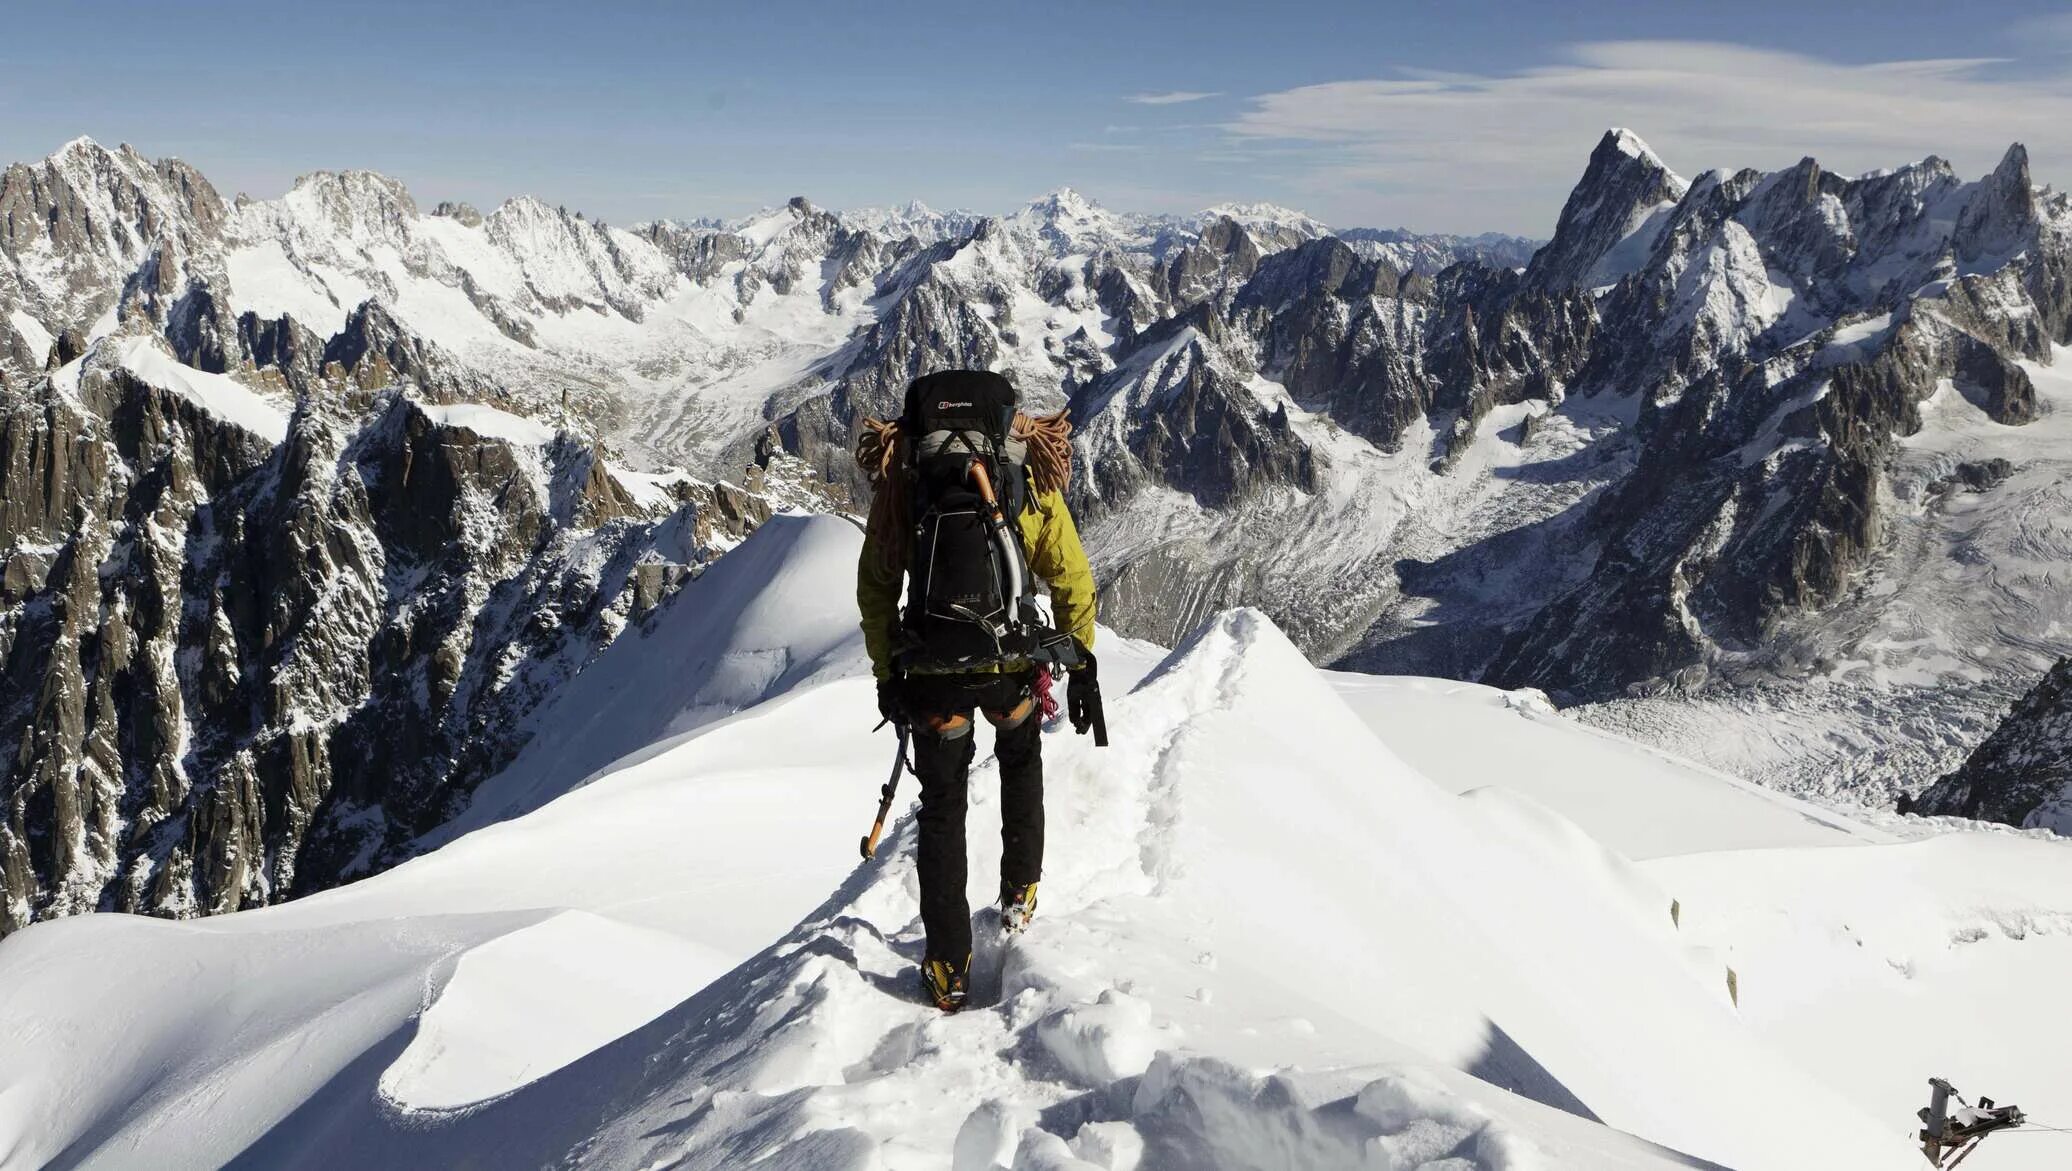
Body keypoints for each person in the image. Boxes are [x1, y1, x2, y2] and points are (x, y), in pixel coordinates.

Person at [855, 369, 1101, 1012]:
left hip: (932, 666)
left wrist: (887, 674)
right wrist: (1083, 660)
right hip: (1007, 662)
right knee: (1020, 760)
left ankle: (946, 965)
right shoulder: (1019, 465)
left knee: (942, 804)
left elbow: (877, 586)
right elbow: (1069, 573)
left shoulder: (906, 470)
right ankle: (1019, 894)